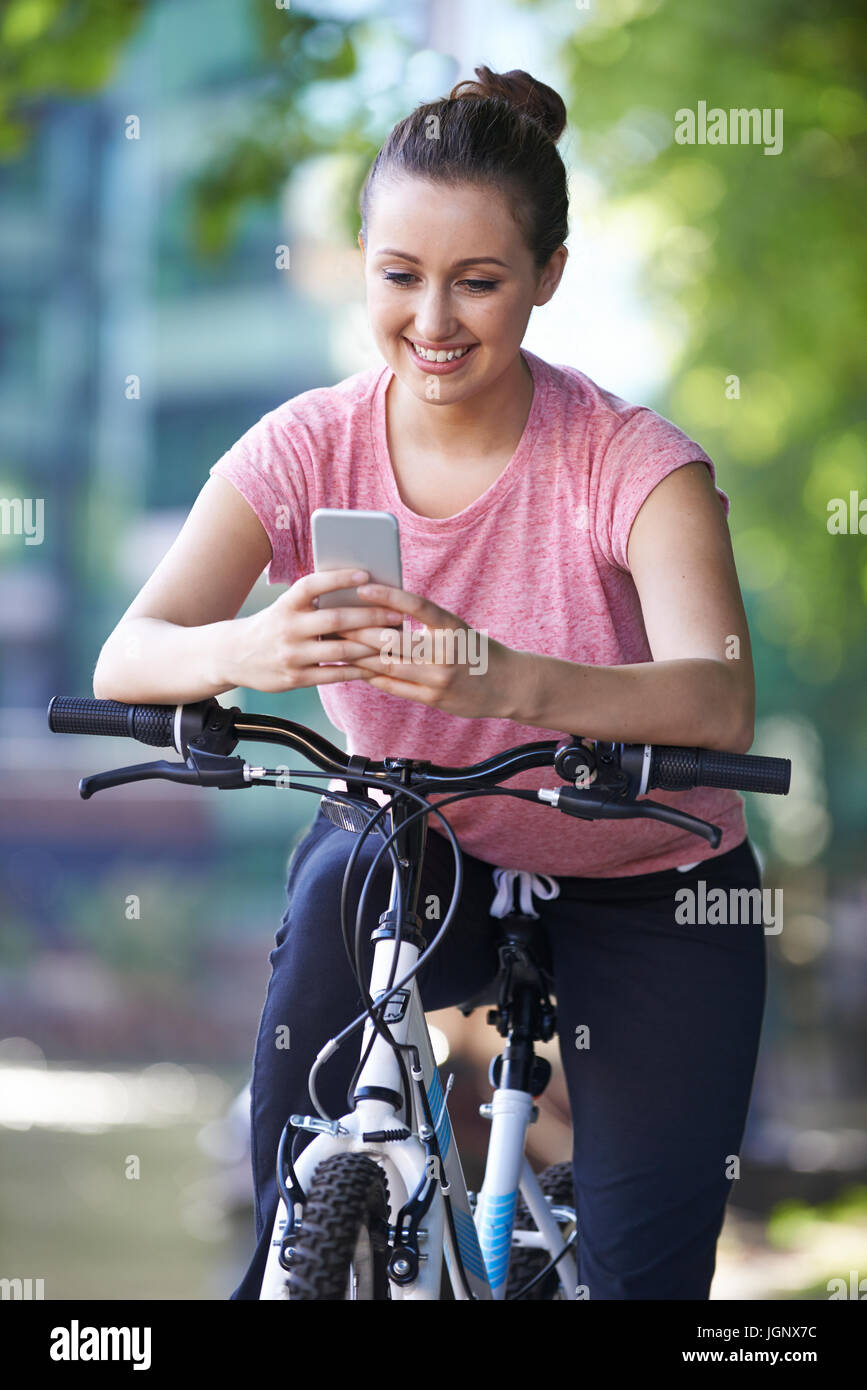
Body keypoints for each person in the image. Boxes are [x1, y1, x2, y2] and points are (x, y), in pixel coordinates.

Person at [93, 66, 766, 1300]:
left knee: (645, 1284)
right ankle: (291, 1259)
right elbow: (130, 652)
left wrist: (497, 677)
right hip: (423, 855)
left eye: (479, 280)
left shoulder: (633, 461)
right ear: (361, 260)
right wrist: (255, 649)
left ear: (549, 275)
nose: (434, 319)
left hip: (650, 872)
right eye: (400, 275)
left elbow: (718, 700)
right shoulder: (307, 445)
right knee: (348, 864)